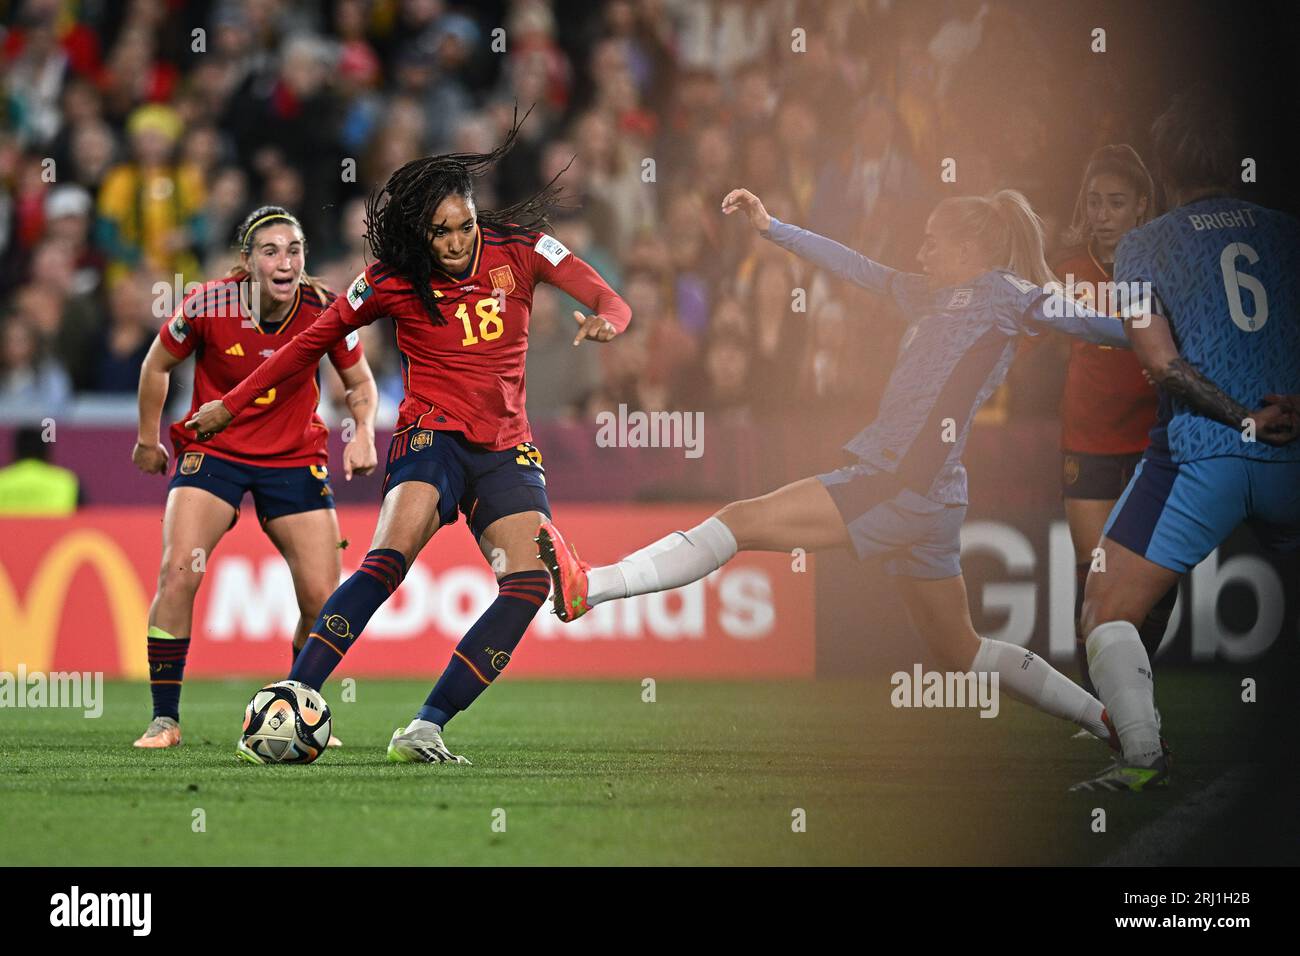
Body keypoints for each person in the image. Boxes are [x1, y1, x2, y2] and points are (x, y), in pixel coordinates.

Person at [539, 184, 1134, 749]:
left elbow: (1095, 324)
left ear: (968, 249)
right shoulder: (927, 292)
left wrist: (1153, 332)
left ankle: (590, 586)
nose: (921, 252)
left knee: (740, 521)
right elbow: (856, 267)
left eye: (933, 241)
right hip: (933, 495)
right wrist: (774, 229)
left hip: (898, 482)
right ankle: (1104, 718)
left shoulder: (1008, 294)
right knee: (963, 653)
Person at [183, 126, 631, 765]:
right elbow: (307, 345)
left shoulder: (526, 249)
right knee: (388, 560)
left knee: (531, 583)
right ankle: (295, 691)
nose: (455, 243)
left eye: (464, 227)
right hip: (430, 435)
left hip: (507, 447)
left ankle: (426, 726)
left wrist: (609, 322)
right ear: (420, 234)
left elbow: (609, 298)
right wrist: (229, 404)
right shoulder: (392, 279)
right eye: (441, 232)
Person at [1074, 89, 1300, 791]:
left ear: (1164, 170)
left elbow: (1159, 361)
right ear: (1236, 161)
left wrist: (1238, 420)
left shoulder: (1144, 246)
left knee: (1105, 606)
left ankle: (1142, 758)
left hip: (1203, 452)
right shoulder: (1287, 230)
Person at [132, 206, 378, 749]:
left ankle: (297, 704)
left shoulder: (324, 308)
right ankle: (164, 719)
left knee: (322, 597)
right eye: (270, 251)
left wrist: (363, 431)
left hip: (293, 455)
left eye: (294, 250)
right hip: (214, 451)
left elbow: (359, 380)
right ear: (247, 262)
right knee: (178, 573)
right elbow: (156, 364)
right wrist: (149, 439)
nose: (285, 261)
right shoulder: (208, 304)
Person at [1052, 145, 1178, 704]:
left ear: (1142, 205)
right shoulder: (1066, 267)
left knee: (1155, 581)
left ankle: (1130, 694)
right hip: (1089, 439)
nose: (1102, 213)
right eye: (1094, 201)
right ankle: (1102, 710)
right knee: (1092, 575)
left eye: (1116, 202)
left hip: (1158, 440)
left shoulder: (1165, 265)